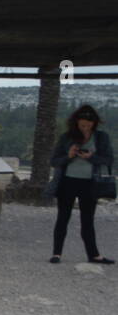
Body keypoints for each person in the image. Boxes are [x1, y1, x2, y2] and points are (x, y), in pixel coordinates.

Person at [46, 104, 114, 264]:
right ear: (76, 122)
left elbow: (109, 159)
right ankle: (57, 254)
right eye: (82, 125)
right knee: (63, 218)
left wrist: (91, 157)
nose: (85, 128)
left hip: (90, 183)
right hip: (67, 182)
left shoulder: (101, 137)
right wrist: (69, 156)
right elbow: (54, 161)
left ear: (95, 123)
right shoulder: (66, 137)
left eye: (89, 125)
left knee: (88, 220)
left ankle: (94, 255)